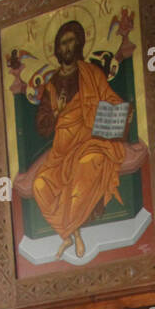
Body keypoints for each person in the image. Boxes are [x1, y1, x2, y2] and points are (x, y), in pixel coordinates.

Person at [32, 20, 128, 258]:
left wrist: (115, 114)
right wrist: (56, 113)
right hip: (61, 152)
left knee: (86, 167)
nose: (67, 47)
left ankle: (70, 236)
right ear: (57, 49)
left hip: (90, 142)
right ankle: (72, 235)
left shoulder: (91, 73)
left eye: (71, 40)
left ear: (80, 42)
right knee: (40, 185)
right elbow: (42, 126)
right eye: (62, 43)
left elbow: (112, 99)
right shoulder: (51, 85)